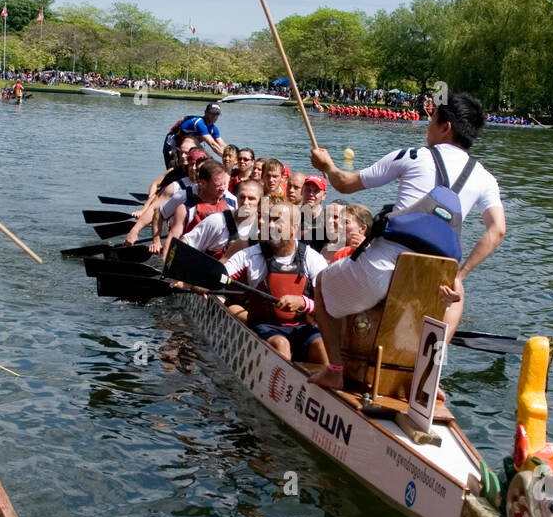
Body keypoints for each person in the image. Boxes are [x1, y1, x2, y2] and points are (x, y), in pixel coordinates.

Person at [308, 91, 505, 390]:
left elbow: (344, 185)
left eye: (431, 118)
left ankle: (336, 369)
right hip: (434, 284)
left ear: (445, 126)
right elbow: (497, 230)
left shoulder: (412, 155)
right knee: (457, 299)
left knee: (322, 284)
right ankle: (425, 378)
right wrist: (460, 276)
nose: (427, 125)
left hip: (382, 268)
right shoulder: (485, 177)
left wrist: (327, 166)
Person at [223, 201, 329, 364]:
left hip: (301, 328)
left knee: (322, 346)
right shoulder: (248, 256)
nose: (270, 225)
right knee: (281, 344)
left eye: (277, 220)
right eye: (268, 219)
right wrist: (200, 282)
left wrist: (303, 302)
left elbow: (328, 306)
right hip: (264, 326)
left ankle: (330, 384)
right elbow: (220, 276)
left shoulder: (312, 259)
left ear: (294, 229)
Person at [182, 178, 261, 258]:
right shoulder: (218, 221)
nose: (245, 202)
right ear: (236, 198)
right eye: (242, 197)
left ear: (260, 202)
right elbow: (185, 243)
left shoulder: (262, 230)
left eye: (251, 199)